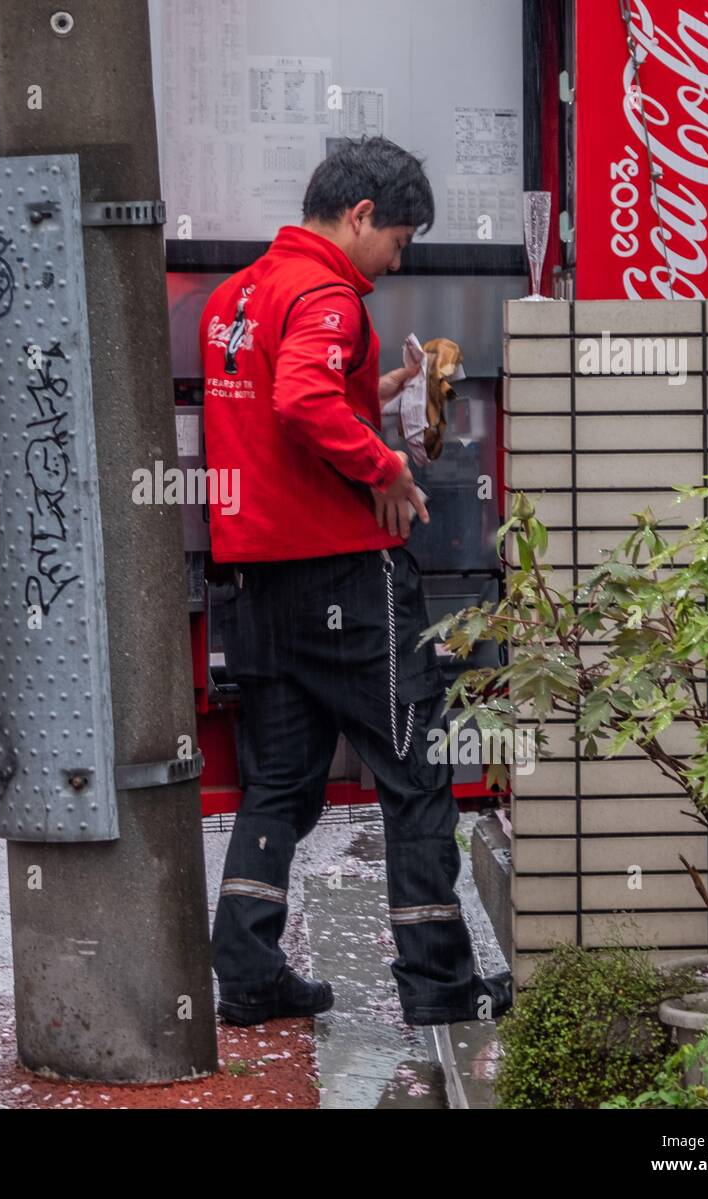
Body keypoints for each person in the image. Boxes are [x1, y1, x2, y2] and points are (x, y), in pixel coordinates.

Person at [199, 136, 514, 1028]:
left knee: (283, 783)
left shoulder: (241, 292)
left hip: (257, 581)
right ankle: (440, 986)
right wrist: (385, 468)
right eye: (400, 239)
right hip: (345, 576)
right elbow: (302, 400)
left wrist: (387, 388)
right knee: (416, 773)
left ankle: (250, 970)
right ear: (361, 214)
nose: (398, 258)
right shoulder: (327, 293)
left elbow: (288, 401)